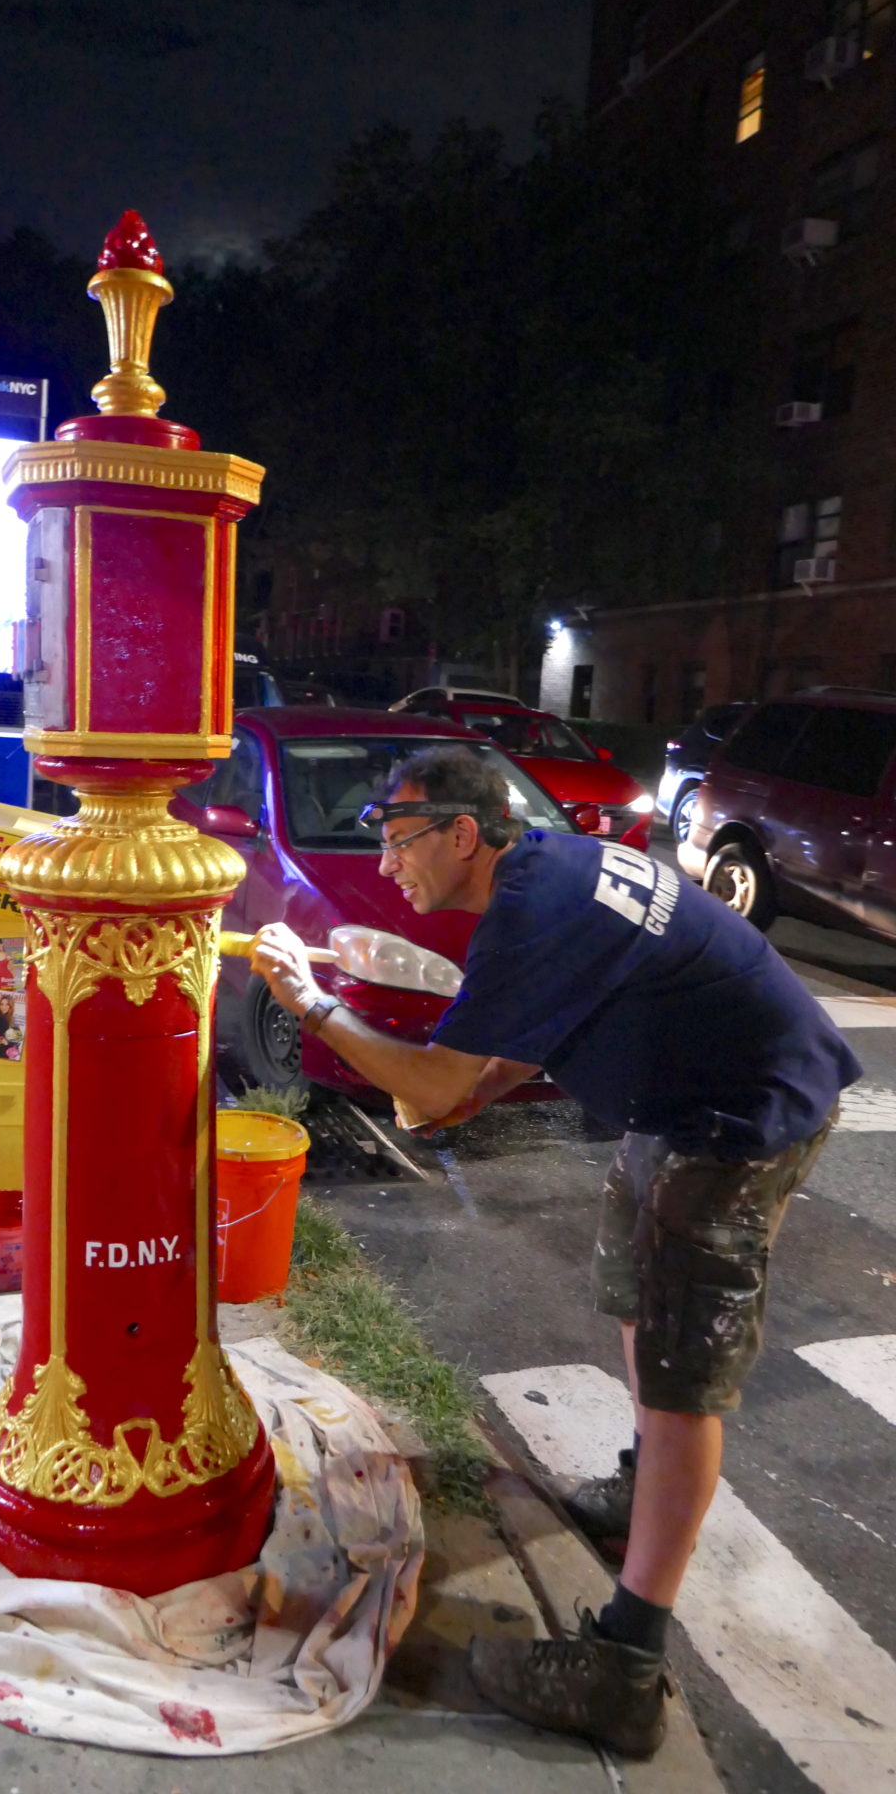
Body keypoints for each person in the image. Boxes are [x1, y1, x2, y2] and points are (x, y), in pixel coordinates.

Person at [249, 744, 859, 1761]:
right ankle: (638, 1486)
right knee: (634, 1287)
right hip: (678, 1104)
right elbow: (536, 1025)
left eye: (400, 838)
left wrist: (311, 1002)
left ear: (461, 833)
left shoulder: (535, 902)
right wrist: (476, 1094)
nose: (390, 862)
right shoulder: (549, 870)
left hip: (739, 1119)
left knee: (682, 1374)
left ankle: (623, 1666)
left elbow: (428, 1088)